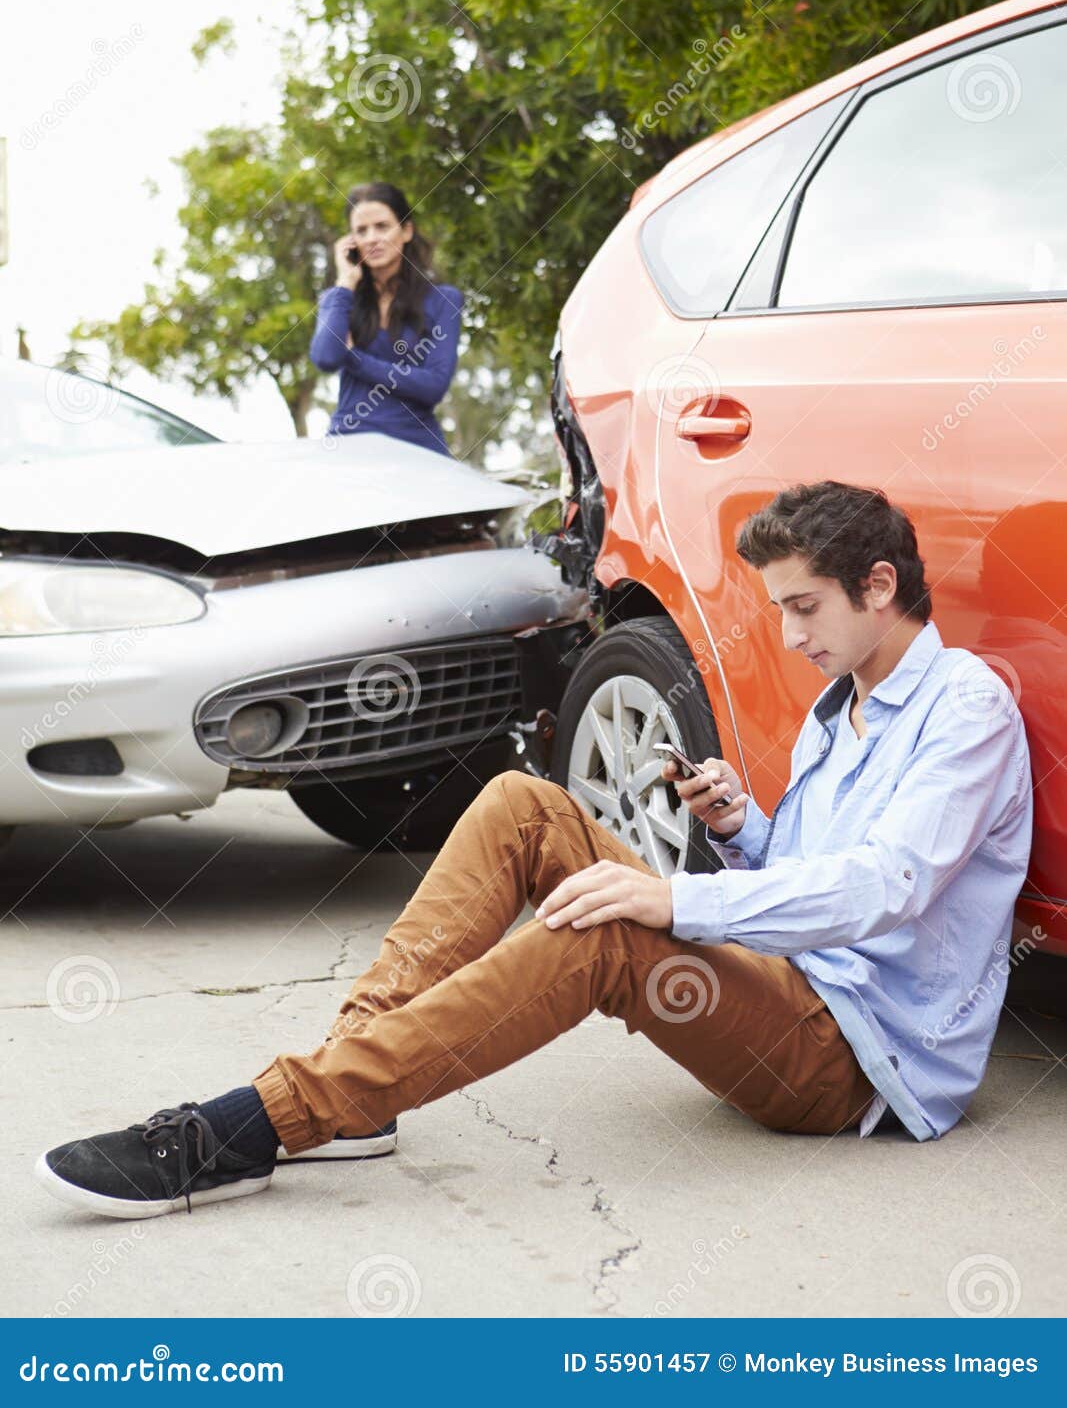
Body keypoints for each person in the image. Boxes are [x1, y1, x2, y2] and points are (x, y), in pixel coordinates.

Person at [35, 481, 1034, 1219]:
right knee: (522, 803)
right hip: (785, 984)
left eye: (802, 607)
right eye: (777, 608)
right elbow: (801, 879)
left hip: (852, 1060)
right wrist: (739, 829)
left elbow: (889, 889)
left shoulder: (965, 710)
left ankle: (255, 1123)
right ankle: (354, 1094)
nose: (786, 635)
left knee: (601, 928)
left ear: (878, 583)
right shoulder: (837, 707)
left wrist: (671, 903)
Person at [310, 181, 462, 456]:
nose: (371, 238)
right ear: (350, 241)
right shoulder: (339, 299)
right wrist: (345, 281)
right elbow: (326, 357)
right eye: (361, 230)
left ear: (406, 230)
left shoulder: (443, 300)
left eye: (382, 226)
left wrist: (354, 357)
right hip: (348, 449)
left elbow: (433, 386)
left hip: (418, 453)